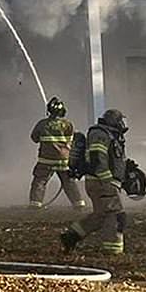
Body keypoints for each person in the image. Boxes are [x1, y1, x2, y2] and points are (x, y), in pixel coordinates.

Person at [61, 108, 130, 256]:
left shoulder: (108, 134)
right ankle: (113, 251)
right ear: (114, 120)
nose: (122, 124)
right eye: (120, 120)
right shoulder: (100, 134)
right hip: (101, 182)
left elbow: (110, 158)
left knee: (101, 215)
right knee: (116, 215)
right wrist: (108, 181)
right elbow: (98, 159)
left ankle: (71, 237)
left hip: (100, 182)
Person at [28, 96, 86, 211]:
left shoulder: (42, 124)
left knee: (40, 181)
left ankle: (35, 205)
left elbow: (34, 138)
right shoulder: (68, 124)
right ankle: (79, 204)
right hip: (64, 160)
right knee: (69, 182)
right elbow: (72, 140)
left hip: (46, 160)